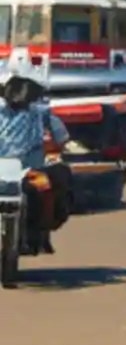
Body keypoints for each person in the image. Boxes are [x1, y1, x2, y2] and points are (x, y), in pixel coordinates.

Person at [0, 65, 72, 254]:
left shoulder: (42, 112)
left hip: (31, 172)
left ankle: (40, 233)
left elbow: (61, 138)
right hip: (13, 172)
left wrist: (55, 151)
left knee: (54, 182)